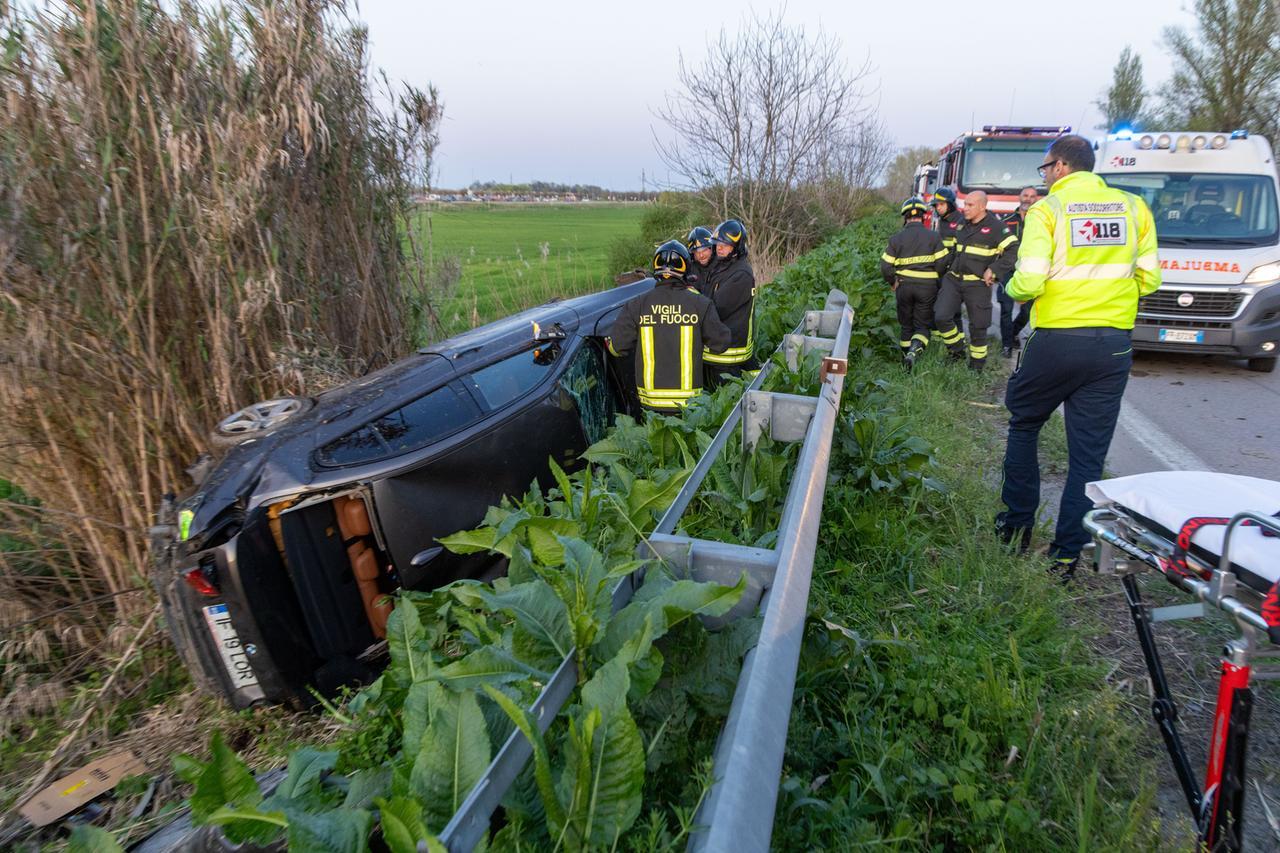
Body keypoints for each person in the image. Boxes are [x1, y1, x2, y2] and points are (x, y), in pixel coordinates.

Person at [995, 134, 1161, 579]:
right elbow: (1150, 278)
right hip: (1112, 345)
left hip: (1056, 340)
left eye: (1045, 168)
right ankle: (1067, 556)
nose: (1044, 175)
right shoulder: (1134, 209)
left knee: (1024, 424)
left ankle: (1015, 529)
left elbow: (1028, 282)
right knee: (1087, 459)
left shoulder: (1048, 210)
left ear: (1063, 167)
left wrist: (1009, 291)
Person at [607, 240, 730, 413]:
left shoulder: (637, 305)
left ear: (656, 269)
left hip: (650, 406)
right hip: (689, 406)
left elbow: (616, 347)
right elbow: (721, 343)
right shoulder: (700, 304)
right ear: (686, 269)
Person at [932, 190, 1017, 370]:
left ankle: (976, 367)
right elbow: (955, 250)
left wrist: (994, 270)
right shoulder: (962, 223)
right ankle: (957, 351)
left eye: (970, 205)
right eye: (965, 204)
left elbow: (1013, 250)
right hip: (953, 279)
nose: (965, 208)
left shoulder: (996, 227)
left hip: (977, 283)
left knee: (978, 326)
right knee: (941, 316)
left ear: (982, 206)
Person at [880, 197, 950, 370]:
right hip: (927, 289)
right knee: (922, 325)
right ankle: (913, 352)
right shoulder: (934, 237)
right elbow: (943, 262)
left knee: (906, 324)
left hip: (903, 287)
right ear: (923, 216)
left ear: (905, 218)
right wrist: (935, 276)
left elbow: (885, 266)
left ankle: (905, 362)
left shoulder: (896, 239)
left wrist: (892, 281)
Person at [701, 218, 758, 387]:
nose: (719, 247)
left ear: (737, 248)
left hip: (728, 355)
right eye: (717, 243)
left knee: (727, 404)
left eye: (724, 245)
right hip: (719, 351)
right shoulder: (722, 266)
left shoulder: (741, 274)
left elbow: (715, 310)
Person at [997, 186, 1039, 357]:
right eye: (1025, 195)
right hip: (1007, 270)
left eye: (1032, 196)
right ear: (1019, 197)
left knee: (1029, 310)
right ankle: (1006, 345)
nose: (1028, 199)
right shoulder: (1006, 220)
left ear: (1036, 199)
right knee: (1006, 308)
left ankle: (1013, 331)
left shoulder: (1040, 220)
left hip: (1031, 272)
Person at [931, 188, 966, 334]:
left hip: (954, 272)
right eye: (936, 205)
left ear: (950, 204)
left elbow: (959, 251)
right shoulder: (942, 221)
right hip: (941, 271)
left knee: (955, 311)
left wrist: (950, 269)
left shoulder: (960, 221)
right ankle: (941, 342)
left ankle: (959, 344)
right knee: (941, 307)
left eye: (940, 204)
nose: (937, 208)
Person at [686, 225, 717, 295]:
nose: (701, 255)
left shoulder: (722, 267)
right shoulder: (688, 271)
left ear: (712, 248)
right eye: (697, 252)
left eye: (704, 250)